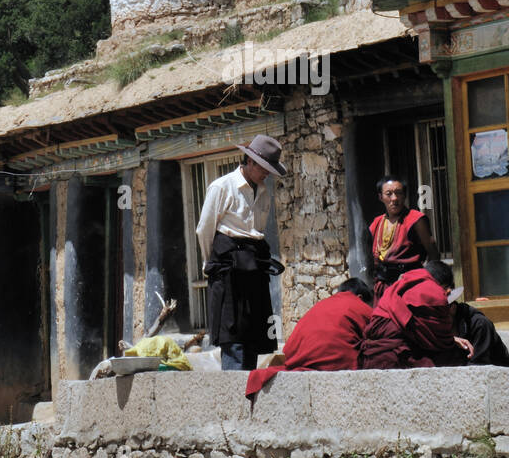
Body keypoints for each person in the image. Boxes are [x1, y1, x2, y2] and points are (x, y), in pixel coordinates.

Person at [196, 134, 286, 371]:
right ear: (250, 161)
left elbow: (258, 231)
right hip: (228, 270)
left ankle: (249, 392)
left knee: (254, 336)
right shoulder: (222, 187)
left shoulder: (264, 192)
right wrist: (212, 264)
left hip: (254, 267)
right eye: (263, 168)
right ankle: (234, 395)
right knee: (232, 335)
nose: (266, 173)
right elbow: (205, 230)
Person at [245, 278, 373, 398]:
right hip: (338, 365)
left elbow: (288, 350)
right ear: (360, 297)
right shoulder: (358, 305)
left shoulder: (321, 304)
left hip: (302, 362)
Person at [358, 265, 470, 370]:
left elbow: (421, 331)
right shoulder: (433, 294)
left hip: (370, 357)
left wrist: (452, 340)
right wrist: (450, 341)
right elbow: (437, 338)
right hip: (395, 359)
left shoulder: (397, 286)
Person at [423, 260, 509, 366]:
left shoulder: (479, 325)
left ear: (452, 308)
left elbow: (477, 373)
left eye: (437, 311)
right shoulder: (428, 328)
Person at [368, 176, 438, 305]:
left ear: (404, 196)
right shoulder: (376, 223)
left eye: (398, 193)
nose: (394, 198)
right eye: (389, 194)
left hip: (408, 286)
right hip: (383, 287)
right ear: (380, 197)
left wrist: (431, 283)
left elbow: (432, 252)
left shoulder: (415, 220)